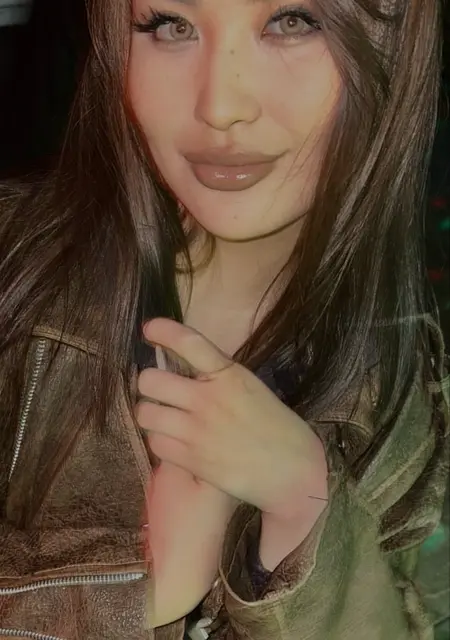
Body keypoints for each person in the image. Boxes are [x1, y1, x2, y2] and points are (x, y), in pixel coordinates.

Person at [0, 0, 448, 638]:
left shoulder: (408, 388)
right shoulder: (14, 266)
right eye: (170, 25)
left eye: (293, 21)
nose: (220, 107)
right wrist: (134, 592)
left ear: (394, 41)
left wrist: (305, 519)